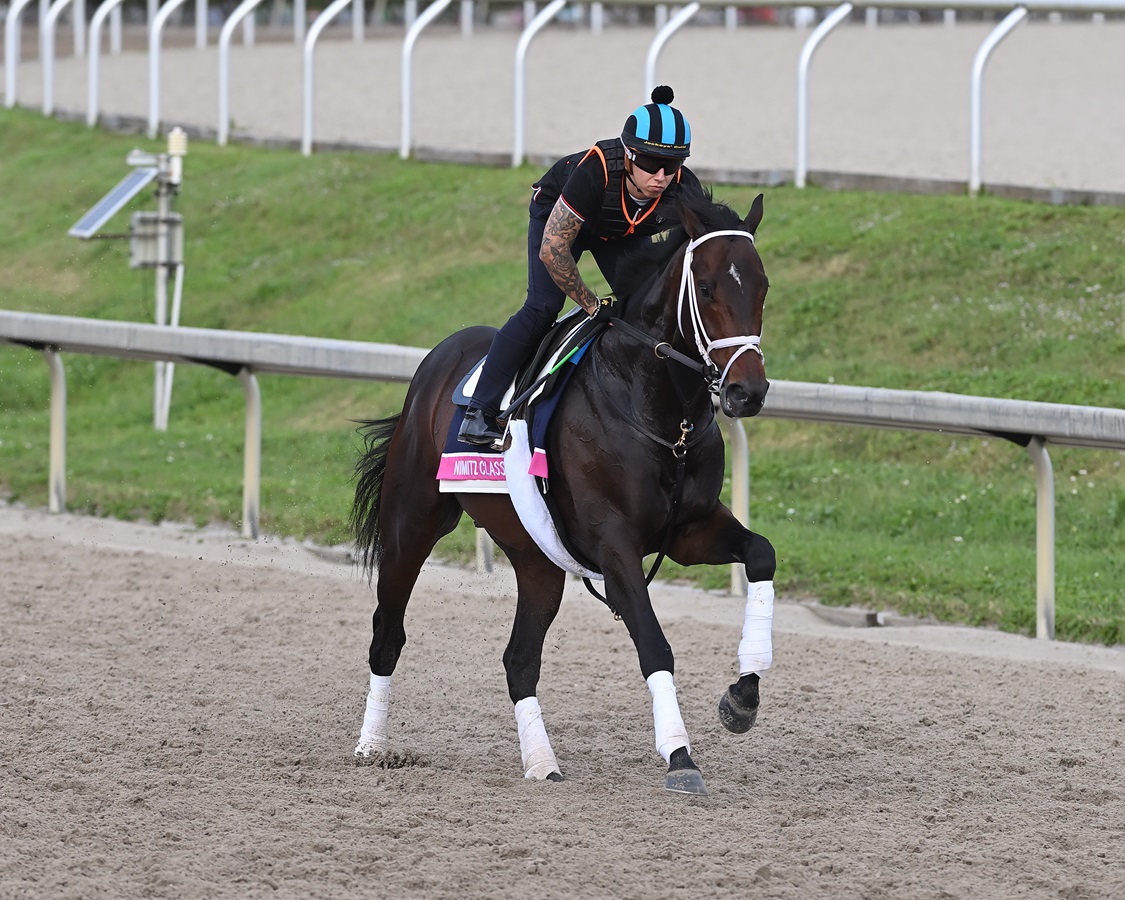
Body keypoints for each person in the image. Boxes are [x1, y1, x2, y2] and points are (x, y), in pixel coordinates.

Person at [458, 85, 705, 447]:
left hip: (617, 229)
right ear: (628, 154)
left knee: (644, 303)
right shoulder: (596, 170)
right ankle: (479, 411)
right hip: (558, 222)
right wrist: (591, 304)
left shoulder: (683, 186)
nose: (661, 176)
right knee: (543, 306)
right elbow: (553, 248)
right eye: (651, 163)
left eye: (673, 164)